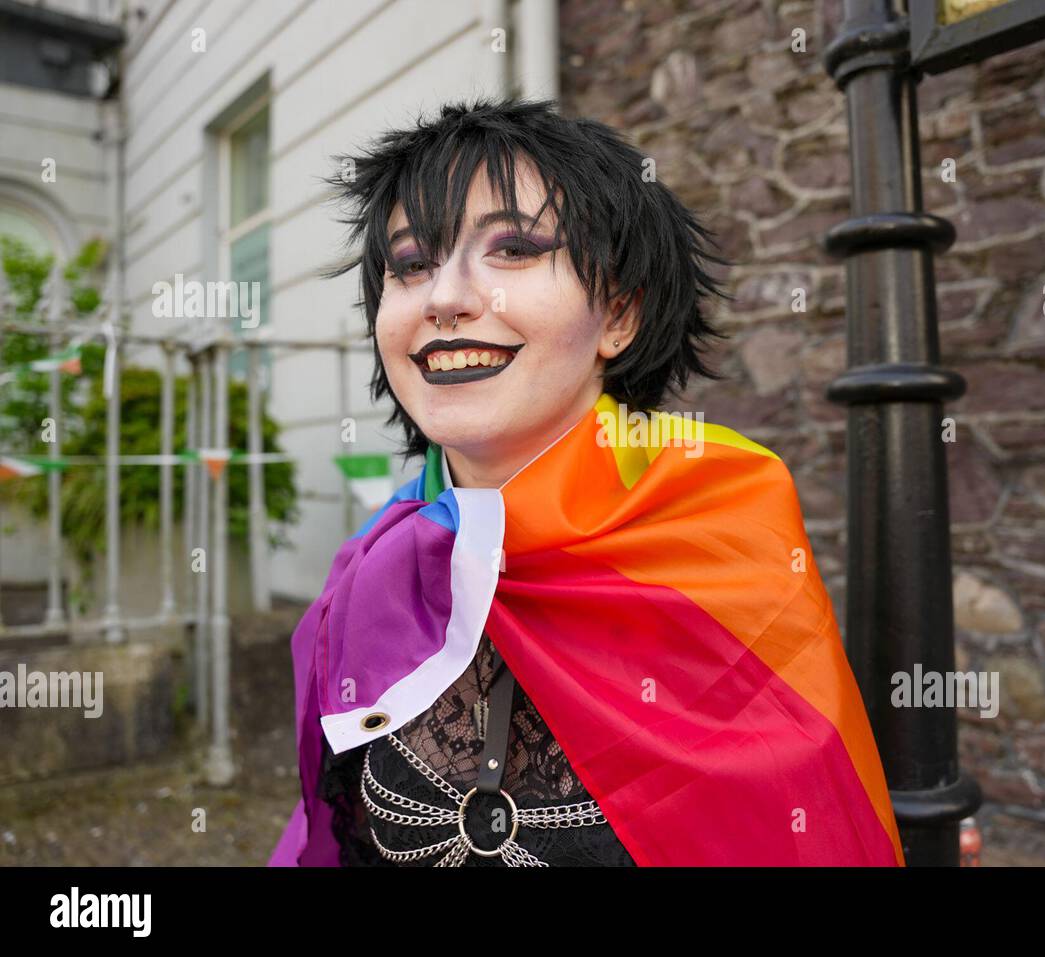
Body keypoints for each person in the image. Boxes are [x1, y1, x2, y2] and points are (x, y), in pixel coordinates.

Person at [268, 96, 903, 867]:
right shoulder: (371, 573)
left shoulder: (722, 517)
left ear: (620, 315)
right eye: (409, 263)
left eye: (513, 248)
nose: (444, 297)